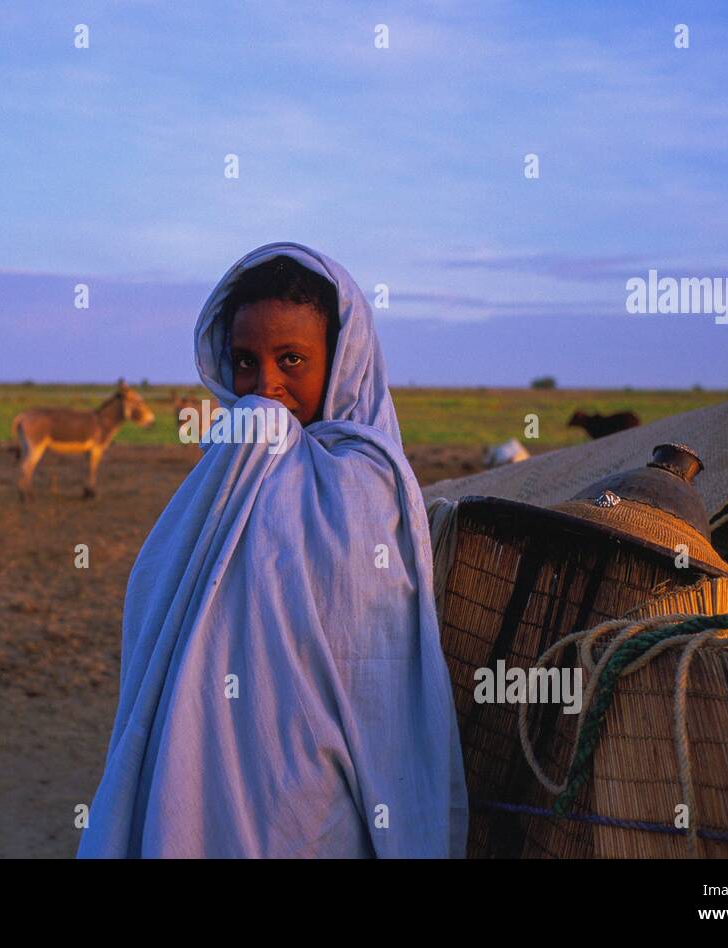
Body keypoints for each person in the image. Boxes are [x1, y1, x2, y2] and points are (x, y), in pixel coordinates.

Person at [77, 242, 467, 858]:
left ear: (342, 362)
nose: (266, 387)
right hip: (195, 775)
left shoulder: (369, 482)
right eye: (244, 362)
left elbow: (374, 669)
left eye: (292, 360)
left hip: (316, 801)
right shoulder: (226, 468)